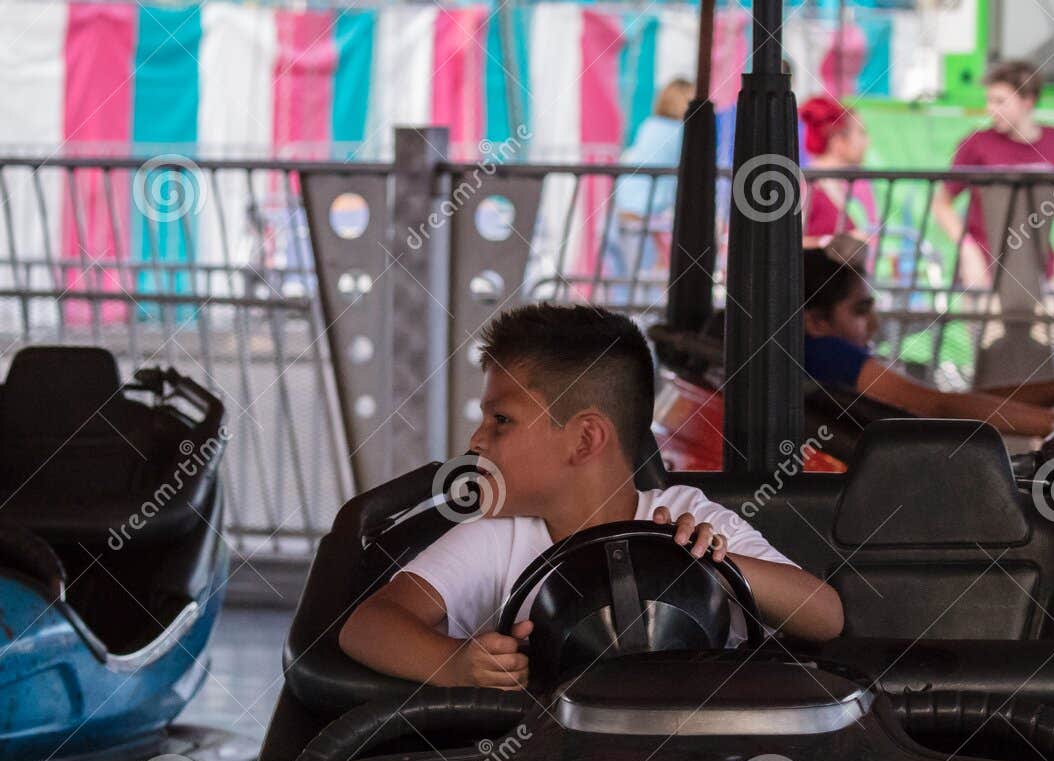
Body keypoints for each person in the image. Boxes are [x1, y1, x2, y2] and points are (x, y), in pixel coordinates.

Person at [339, 305, 844, 690]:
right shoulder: (497, 538)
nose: (476, 440)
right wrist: (454, 663)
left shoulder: (689, 518)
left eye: (501, 420)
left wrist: (717, 563)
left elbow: (825, 617)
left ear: (584, 440)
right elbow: (367, 627)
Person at [801, 248, 1054, 437]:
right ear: (816, 322)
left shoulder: (814, 356)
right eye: (861, 311)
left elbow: (958, 401)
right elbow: (941, 407)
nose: (874, 324)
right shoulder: (824, 353)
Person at [929, 60, 1054, 289]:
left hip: (1039, 270)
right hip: (985, 271)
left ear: (1028, 101)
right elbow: (942, 204)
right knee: (992, 326)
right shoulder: (976, 143)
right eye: (989, 100)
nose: (991, 109)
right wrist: (968, 250)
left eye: (1000, 101)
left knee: (1052, 324)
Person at [608, 80, 694, 297]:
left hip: (626, 207)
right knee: (653, 280)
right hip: (650, 212)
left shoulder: (649, 126)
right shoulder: (681, 133)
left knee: (630, 280)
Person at [799, 95, 876, 246]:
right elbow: (786, 245)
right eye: (861, 133)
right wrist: (833, 243)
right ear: (838, 140)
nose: (867, 142)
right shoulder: (806, 186)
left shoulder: (852, 185)